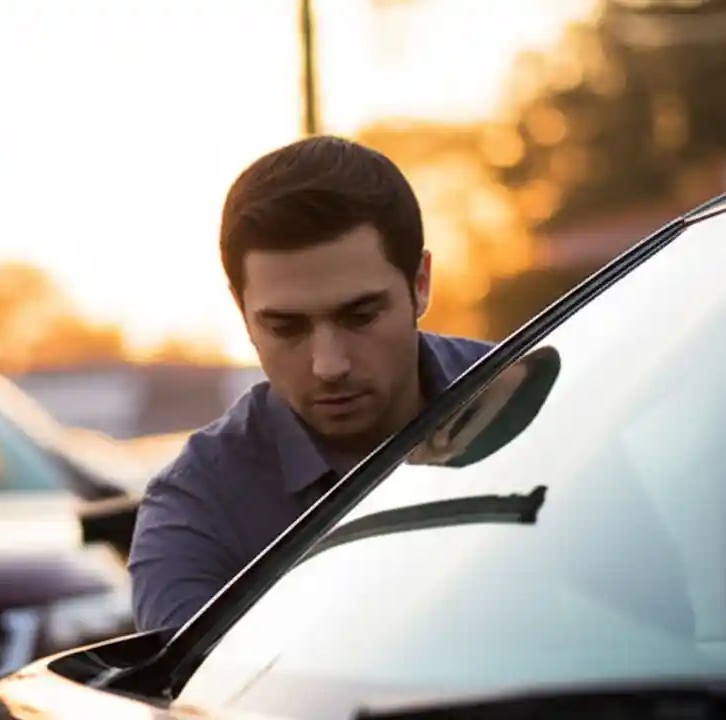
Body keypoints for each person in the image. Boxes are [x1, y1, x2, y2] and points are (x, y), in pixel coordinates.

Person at [128, 135, 495, 631]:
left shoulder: (538, 397)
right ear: (241, 311)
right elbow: (196, 705)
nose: (329, 365)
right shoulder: (199, 509)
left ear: (421, 284)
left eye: (361, 316)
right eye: (286, 328)